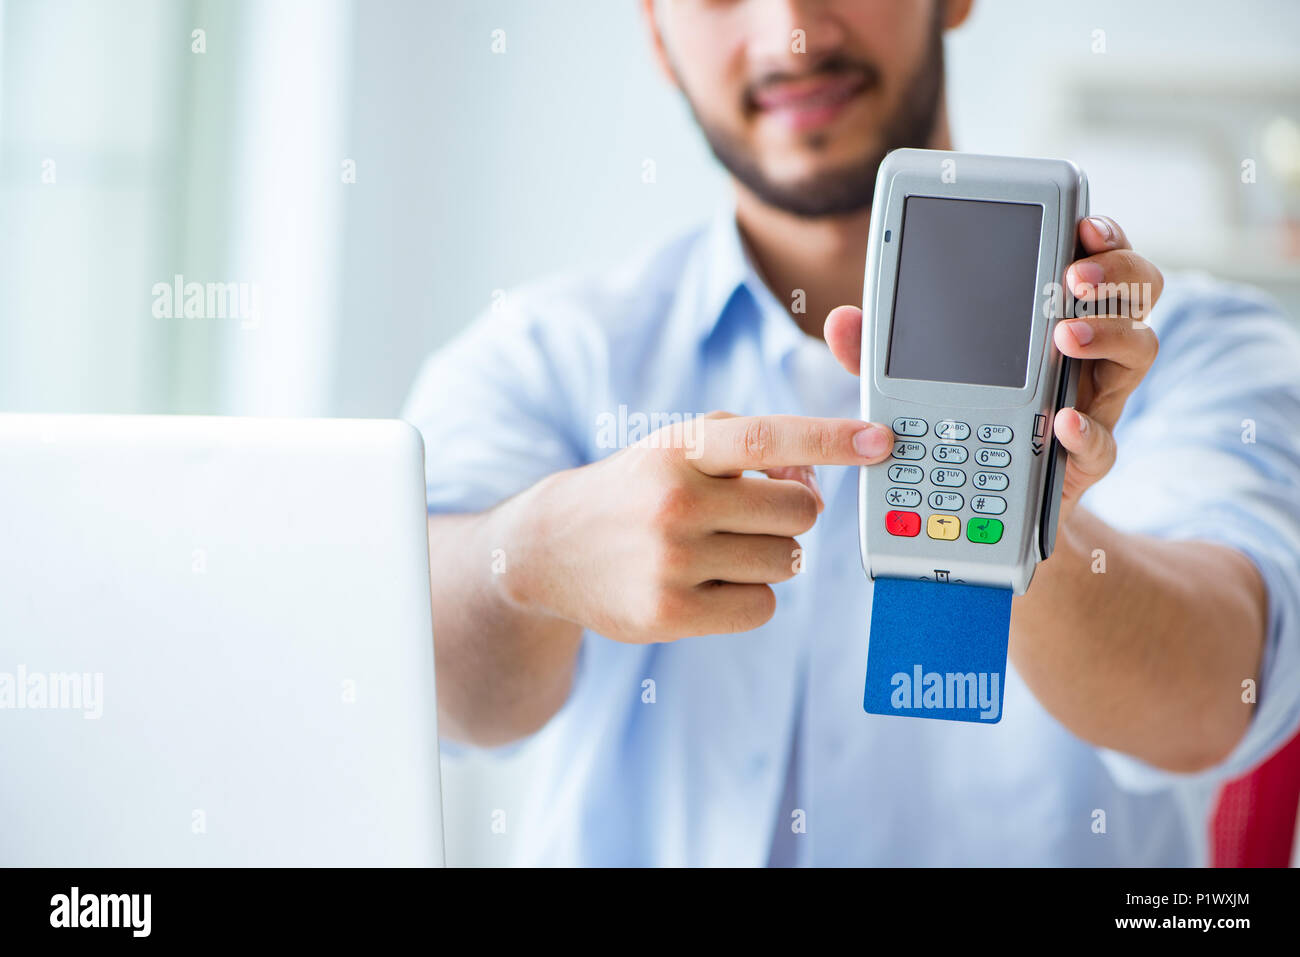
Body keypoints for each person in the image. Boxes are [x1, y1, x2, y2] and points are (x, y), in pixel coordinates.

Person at [403, 0, 1300, 865]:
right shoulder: (544, 353)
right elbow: (430, 691)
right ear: (657, 29)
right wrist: (528, 556)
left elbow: (1219, 703)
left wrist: (1027, 518)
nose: (790, 32)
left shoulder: (1191, 350)